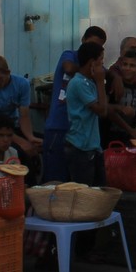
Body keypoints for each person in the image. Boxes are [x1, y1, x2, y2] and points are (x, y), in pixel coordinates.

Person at [44, 26, 105, 183]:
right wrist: (91, 72)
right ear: (83, 40)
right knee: (56, 179)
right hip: (59, 125)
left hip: (81, 136)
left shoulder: (91, 76)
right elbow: (69, 67)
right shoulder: (70, 57)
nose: (92, 49)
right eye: (91, 44)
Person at [0, 55, 40, 162]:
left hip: (13, 125)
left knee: (38, 146)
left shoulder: (22, 84)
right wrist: (21, 142)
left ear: (8, 72)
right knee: (20, 151)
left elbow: (24, 116)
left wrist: (30, 137)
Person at [65, 40, 108, 185]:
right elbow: (101, 110)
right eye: (101, 60)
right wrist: (101, 82)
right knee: (84, 193)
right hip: (80, 146)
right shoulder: (78, 83)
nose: (103, 65)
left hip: (92, 146)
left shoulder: (89, 82)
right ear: (92, 63)